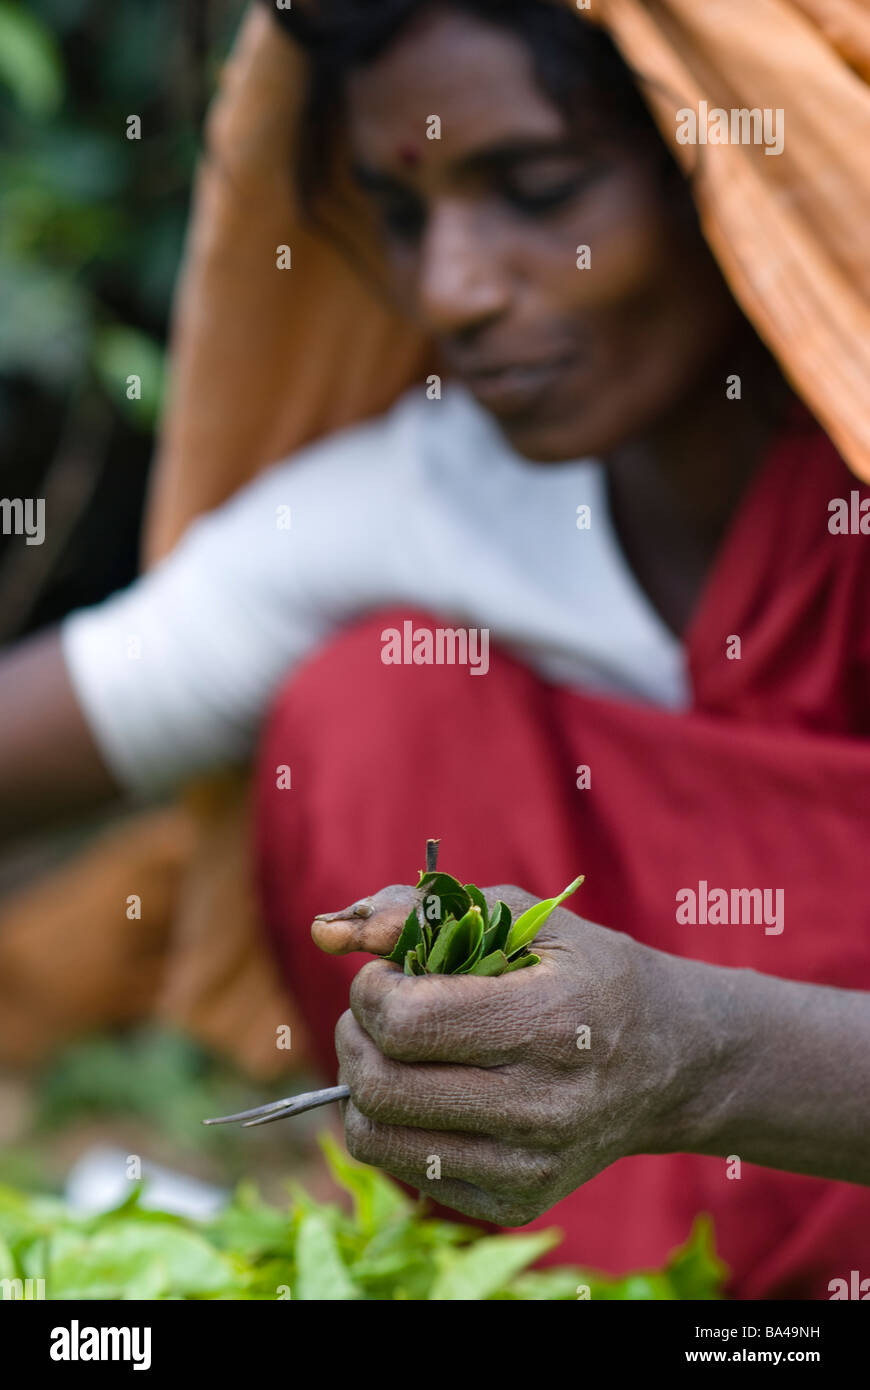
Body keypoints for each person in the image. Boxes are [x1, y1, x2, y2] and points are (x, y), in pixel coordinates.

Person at [1, 0, 869, 1296]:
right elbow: (89, 700)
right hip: (606, 1249)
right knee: (374, 705)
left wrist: (697, 1047)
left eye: (535, 189)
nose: (452, 287)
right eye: (404, 218)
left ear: (723, 166)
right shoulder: (430, 501)